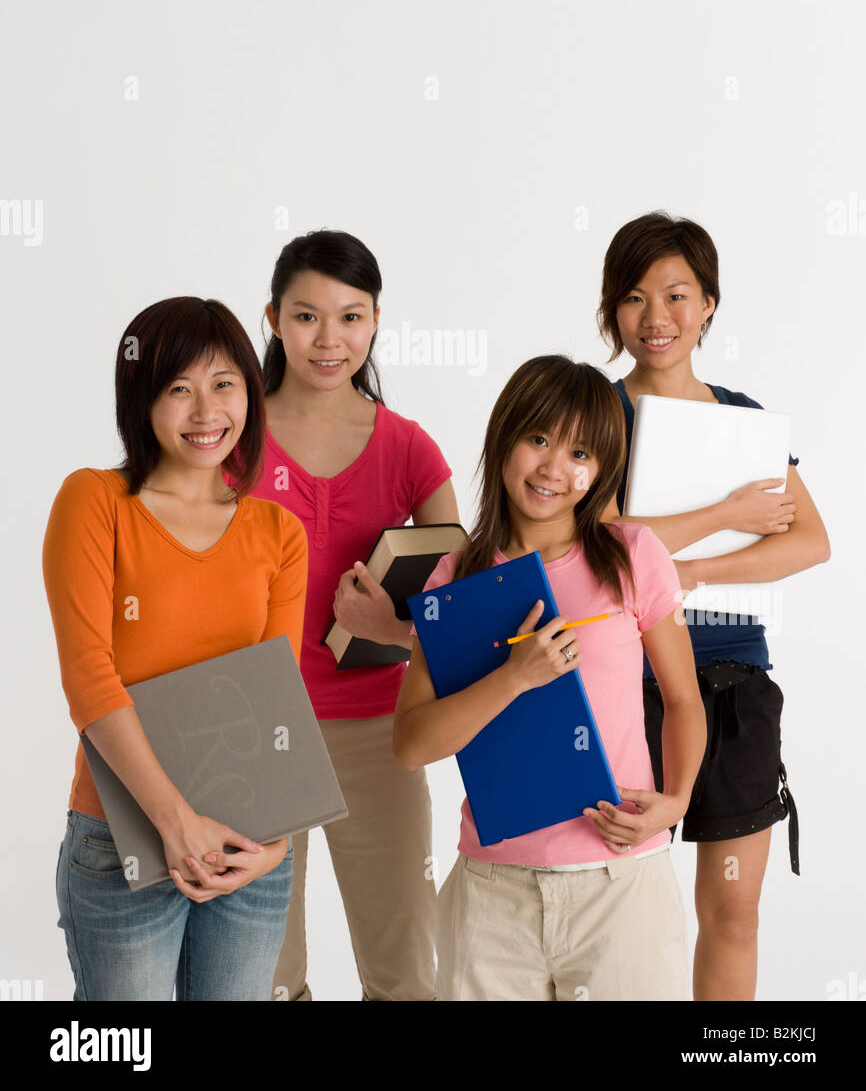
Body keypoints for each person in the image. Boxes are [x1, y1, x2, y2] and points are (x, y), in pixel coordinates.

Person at [394, 355, 706, 1001]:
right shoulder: (455, 580)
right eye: (538, 439)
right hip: (492, 896)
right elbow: (412, 744)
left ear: (601, 471)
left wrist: (673, 806)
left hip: (620, 885)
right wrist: (515, 677)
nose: (554, 470)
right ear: (504, 438)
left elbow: (682, 700)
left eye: (580, 453)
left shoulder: (633, 556)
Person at [44, 297, 308, 1001]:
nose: (205, 411)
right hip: (120, 837)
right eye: (178, 389)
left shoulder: (279, 533)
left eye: (224, 384)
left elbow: (277, 697)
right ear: (142, 399)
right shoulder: (96, 502)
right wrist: (175, 822)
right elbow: (88, 675)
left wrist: (278, 842)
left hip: (248, 850)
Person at [597, 210, 831, 1001]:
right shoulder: (592, 412)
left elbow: (808, 543)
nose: (655, 318)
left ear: (708, 307)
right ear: (611, 311)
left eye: (676, 295)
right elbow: (594, 534)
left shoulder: (741, 417)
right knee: (613, 900)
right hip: (618, 677)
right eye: (633, 298)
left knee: (734, 912)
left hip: (730, 675)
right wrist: (725, 515)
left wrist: (683, 575)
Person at [255, 230, 458, 1001]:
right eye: (307, 316)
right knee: (263, 977)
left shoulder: (409, 449)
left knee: (405, 972)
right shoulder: (231, 437)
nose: (329, 339)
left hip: (380, 733)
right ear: (273, 319)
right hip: (257, 732)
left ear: (376, 322)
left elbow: (463, 613)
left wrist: (393, 632)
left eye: (351, 316)